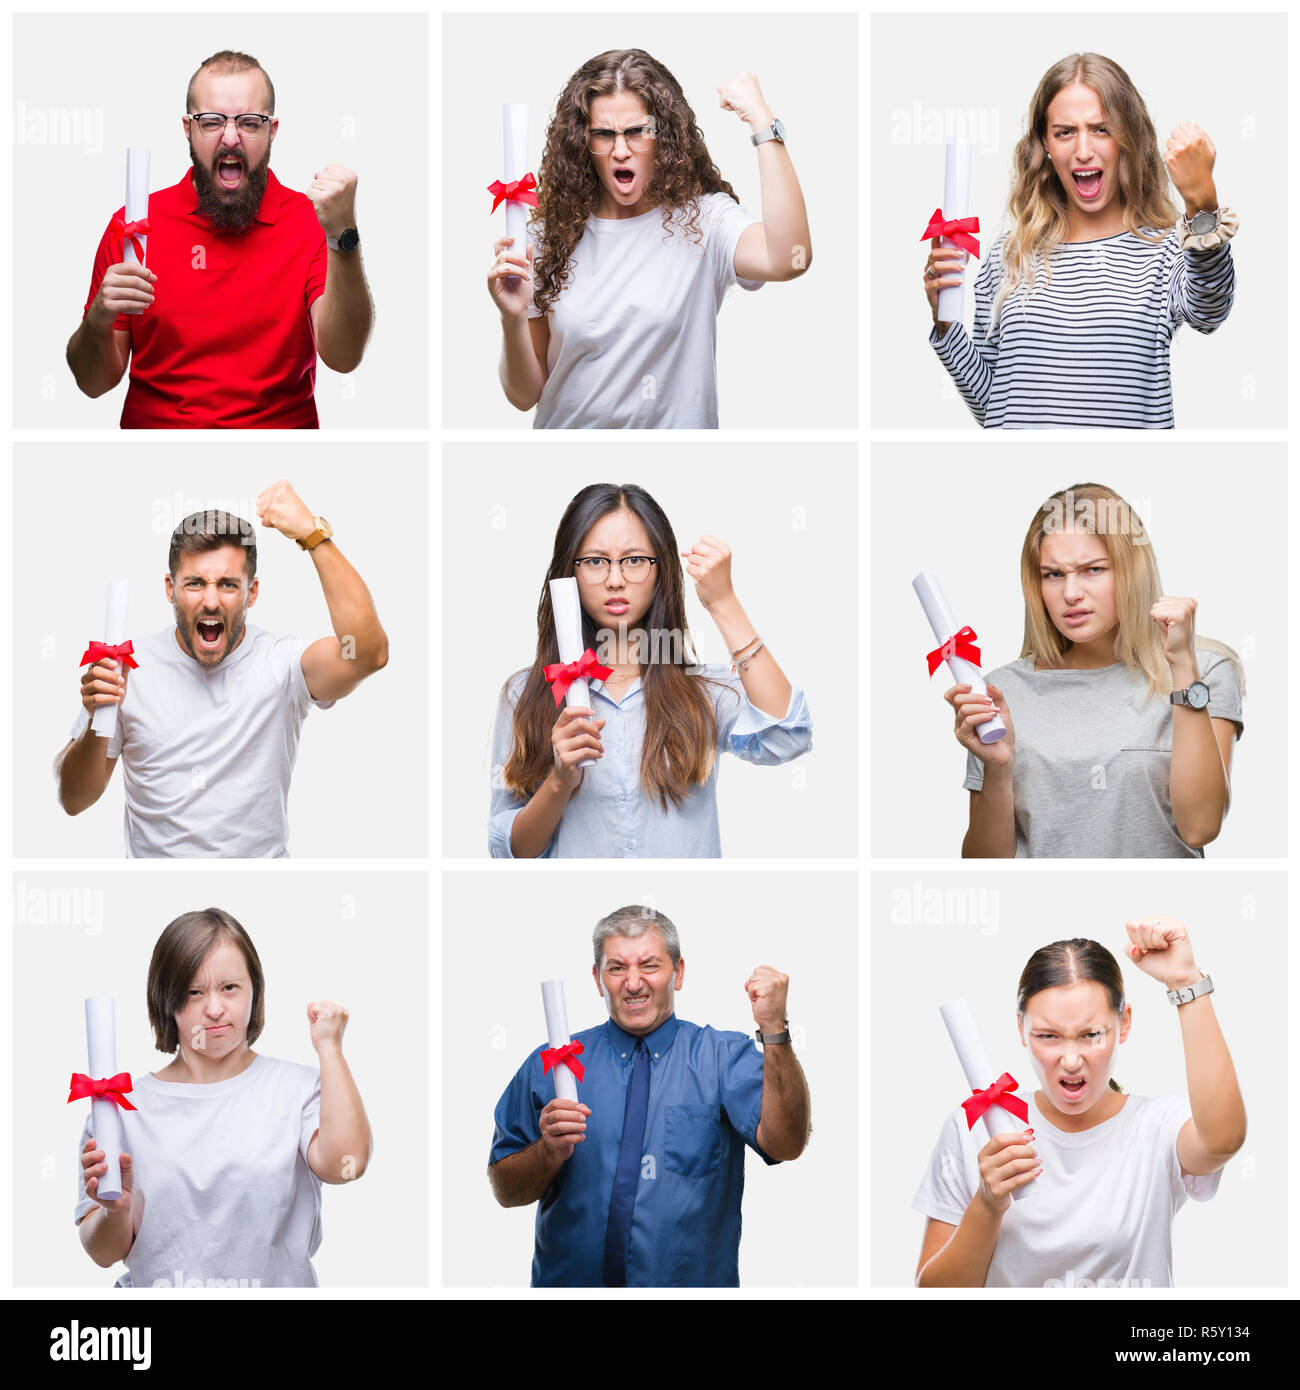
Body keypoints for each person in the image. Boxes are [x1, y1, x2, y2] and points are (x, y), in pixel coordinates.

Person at [55, 480, 389, 856]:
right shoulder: (128, 669)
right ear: (170, 589)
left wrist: (313, 536)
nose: (211, 601)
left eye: (228, 584)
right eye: (195, 583)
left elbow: (367, 654)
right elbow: (73, 800)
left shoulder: (282, 664)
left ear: (252, 592)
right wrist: (96, 718)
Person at [487, 49, 812, 428]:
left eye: (637, 132)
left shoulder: (705, 221)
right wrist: (512, 317)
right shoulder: (548, 235)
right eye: (604, 134)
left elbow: (790, 258)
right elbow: (524, 396)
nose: (620, 151)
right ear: (582, 141)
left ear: (663, 135)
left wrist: (762, 121)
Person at [488, 906, 810, 1287]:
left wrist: (774, 1031)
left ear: (679, 972)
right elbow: (504, 1190)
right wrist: (548, 1152)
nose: (633, 982)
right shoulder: (553, 1063)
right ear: (597, 979)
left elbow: (787, 1144)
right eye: (617, 968)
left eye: (649, 965)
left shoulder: (723, 1057)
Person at [488, 482, 811, 857]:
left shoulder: (703, 691)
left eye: (635, 560)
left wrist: (724, 602)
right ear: (569, 572)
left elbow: (788, 735)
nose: (615, 580)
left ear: (661, 568)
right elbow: (509, 852)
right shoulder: (525, 694)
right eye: (595, 561)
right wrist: (559, 782)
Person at [914, 922, 1245, 1287]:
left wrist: (1185, 982)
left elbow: (1222, 1141)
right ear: (1021, 1028)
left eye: (1091, 1034)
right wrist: (988, 1204)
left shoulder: (1157, 1126)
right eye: (1048, 1036)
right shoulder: (974, 1127)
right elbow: (933, 1291)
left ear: (1124, 1023)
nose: (1071, 1061)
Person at [924, 52, 1236, 428]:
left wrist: (1202, 204)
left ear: (1127, 139)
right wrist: (946, 323)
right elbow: (994, 405)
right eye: (1065, 132)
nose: (1083, 151)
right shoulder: (1008, 256)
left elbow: (1210, 311)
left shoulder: (1167, 249)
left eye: (1101, 129)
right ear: (1045, 144)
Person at [67, 49, 374, 428]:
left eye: (250, 122)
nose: (230, 138)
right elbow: (93, 383)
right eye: (211, 122)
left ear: (272, 131)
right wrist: (98, 317)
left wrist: (342, 234)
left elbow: (344, 357)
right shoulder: (133, 226)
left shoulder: (309, 222)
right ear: (188, 129)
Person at [76, 907, 372, 1287]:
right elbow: (103, 1254)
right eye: (193, 992)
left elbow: (346, 1164)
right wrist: (114, 1211)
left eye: (230, 988)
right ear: (165, 999)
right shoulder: (120, 1108)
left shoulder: (296, 1089)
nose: (214, 1009)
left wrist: (330, 1049)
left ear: (254, 989)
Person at [944, 482, 1242, 858]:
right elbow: (985, 866)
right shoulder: (1000, 693)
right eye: (1053, 574)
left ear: (1132, 572)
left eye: (1093, 569)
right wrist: (998, 769)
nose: (1071, 593)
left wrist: (1182, 666)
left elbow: (1200, 827)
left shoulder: (1205, 671)